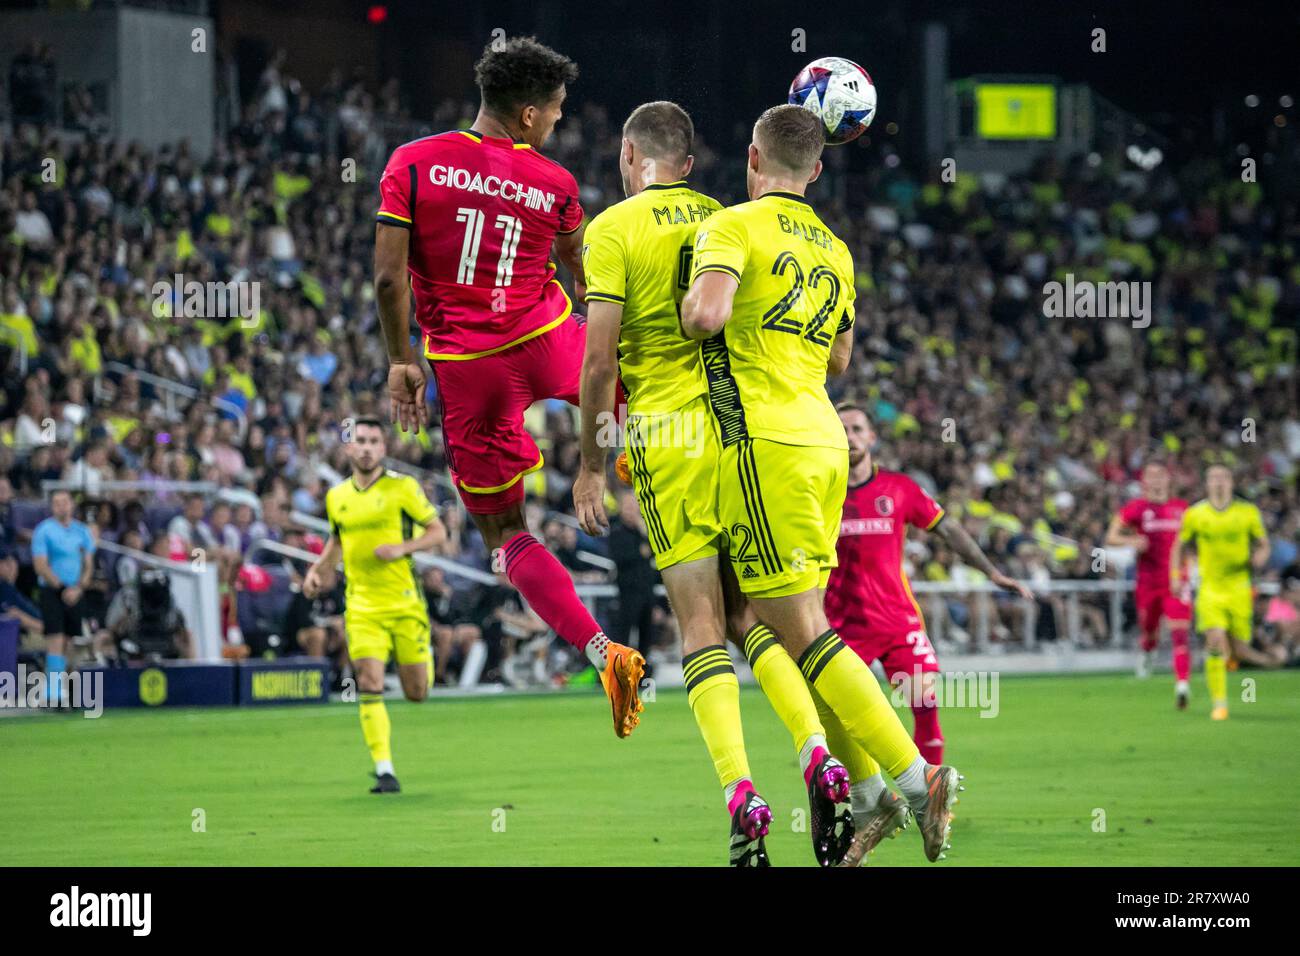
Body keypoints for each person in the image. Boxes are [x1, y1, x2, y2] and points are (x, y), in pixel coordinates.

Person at [573, 101, 851, 867]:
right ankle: (817, 751)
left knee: (699, 625)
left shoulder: (611, 231)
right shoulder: (727, 215)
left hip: (667, 435)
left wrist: (593, 462)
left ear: (629, 154)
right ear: (691, 165)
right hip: (741, 431)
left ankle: (741, 794)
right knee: (751, 615)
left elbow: (598, 365)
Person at [681, 104, 961, 864]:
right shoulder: (836, 249)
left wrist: (685, 307)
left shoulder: (733, 225)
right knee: (786, 620)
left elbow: (705, 314)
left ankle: (915, 775)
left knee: (791, 627)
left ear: (751, 157)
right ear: (818, 168)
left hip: (761, 438)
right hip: (824, 437)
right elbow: (840, 364)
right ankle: (874, 794)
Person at [373, 35, 645, 738]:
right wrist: (596, 457)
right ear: (527, 116)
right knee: (640, 391)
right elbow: (584, 276)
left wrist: (401, 361)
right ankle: (639, 477)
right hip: (551, 340)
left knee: (506, 535)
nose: (558, 122)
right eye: (554, 111)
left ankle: (605, 654)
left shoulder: (412, 162)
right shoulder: (556, 184)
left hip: (471, 368)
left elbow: (386, 278)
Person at [825, 403, 1032, 865]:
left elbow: (948, 529)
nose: (850, 435)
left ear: (872, 437)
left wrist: (992, 571)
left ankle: (929, 806)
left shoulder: (898, 489)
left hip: (898, 621)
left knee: (925, 702)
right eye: (841, 428)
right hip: (841, 628)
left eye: (857, 428)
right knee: (844, 723)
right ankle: (874, 805)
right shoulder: (821, 489)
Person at [303, 419, 447, 794]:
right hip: (362, 606)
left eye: (373, 441)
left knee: (417, 692)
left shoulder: (403, 488)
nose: (366, 447)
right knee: (369, 683)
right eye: (359, 441)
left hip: (404, 604)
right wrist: (318, 571)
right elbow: (336, 540)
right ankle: (385, 769)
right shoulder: (337, 497)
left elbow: (438, 532)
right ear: (349, 448)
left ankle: (423, 661)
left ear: (383, 449)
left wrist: (401, 548)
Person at [1169, 465, 1277, 720]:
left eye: (1223, 478)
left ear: (1230, 482)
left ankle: (1245, 659)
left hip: (1239, 587)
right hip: (1210, 588)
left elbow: (1263, 544)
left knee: (1239, 650)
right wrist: (1175, 576)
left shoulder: (1247, 512)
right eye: (1213, 478)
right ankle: (1220, 704)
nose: (1218, 482)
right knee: (1215, 640)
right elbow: (1179, 546)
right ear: (1206, 483)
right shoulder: (1195, 514)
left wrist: (1260, 557)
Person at [1104, 461, 1193, 705]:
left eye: (1160, 475)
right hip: (1147, 582)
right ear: (1143, 481)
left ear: (1168, 479)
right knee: (1149, 630)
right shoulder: (1136, 509)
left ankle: (1182, 685)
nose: (1155, 480)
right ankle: (1147, 651)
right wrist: (1132, 541)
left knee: (1179, 633)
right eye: (1150, 476)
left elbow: (1194, 543)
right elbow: (1110, 537)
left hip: (1176, 581)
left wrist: (1193, 569)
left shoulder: (1183, 509)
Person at [31, 490, 95, 706]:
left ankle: (64, 688)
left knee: (69, 642)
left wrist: (79, 587)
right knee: (55, 640)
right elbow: (41, 565)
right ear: (52, 507)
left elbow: (88, 564)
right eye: (56, 503)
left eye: (64, 502)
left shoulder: (81, 531)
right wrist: (61, 588)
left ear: (71, 505)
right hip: (53, 592)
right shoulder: (44, 531)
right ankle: (53, 694)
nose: (61, 507)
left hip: (75, 593)